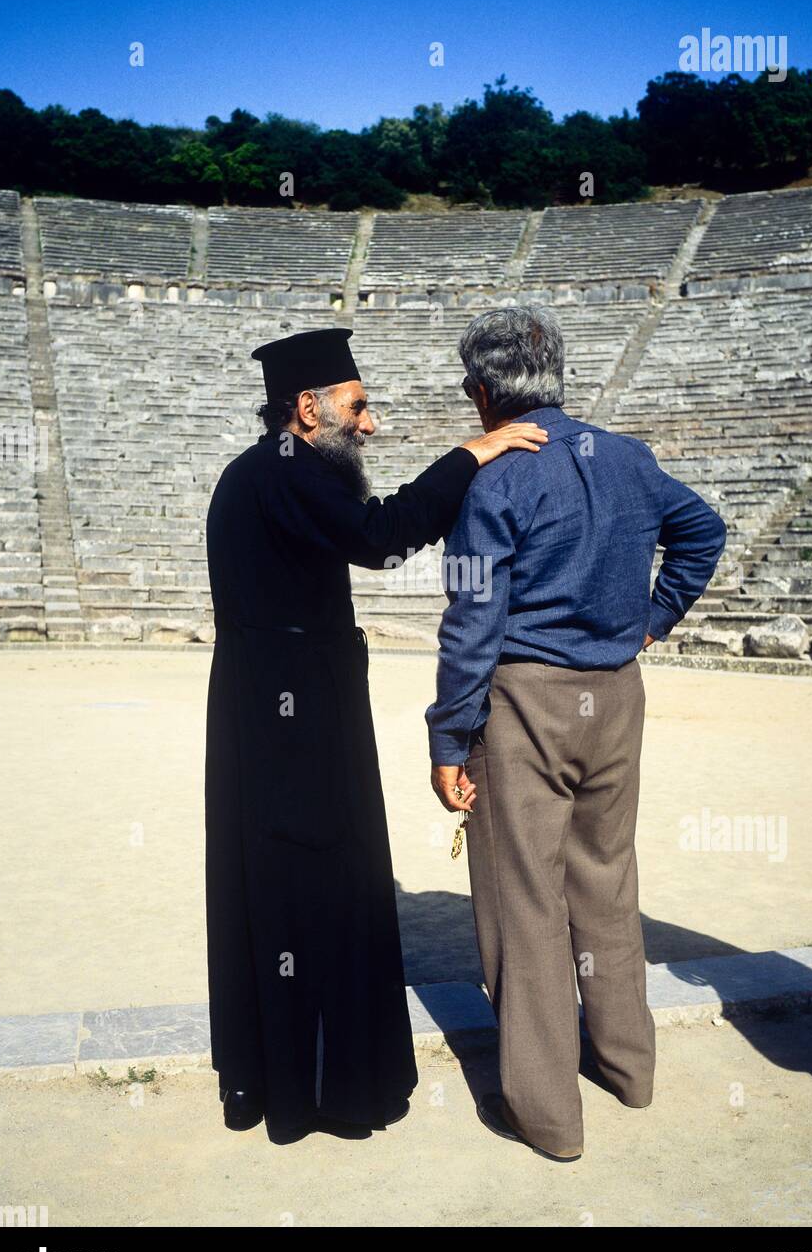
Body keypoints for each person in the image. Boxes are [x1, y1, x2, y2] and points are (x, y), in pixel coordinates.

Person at [204, 326, 548, 1143]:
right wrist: (475, 451)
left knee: (280, 877)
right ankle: (327, 1087)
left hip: (274, 703)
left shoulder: (263, 473)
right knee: (320, 877)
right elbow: (382, 537)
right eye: (358, 406)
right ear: (305, 408)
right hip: (297, 715)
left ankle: (273, 1078)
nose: (371, 423)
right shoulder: (287, 472)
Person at [426, 306, 727, 1162]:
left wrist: (449, 739)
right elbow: (703, 531)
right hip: (615, 697)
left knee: (525, 903)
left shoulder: (492, 481)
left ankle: (549, 1115)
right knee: (605, 881)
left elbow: (470, 624)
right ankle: (629, 1068)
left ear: (482, 392)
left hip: (524, 702)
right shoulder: (629, 456)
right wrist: (655, 618)